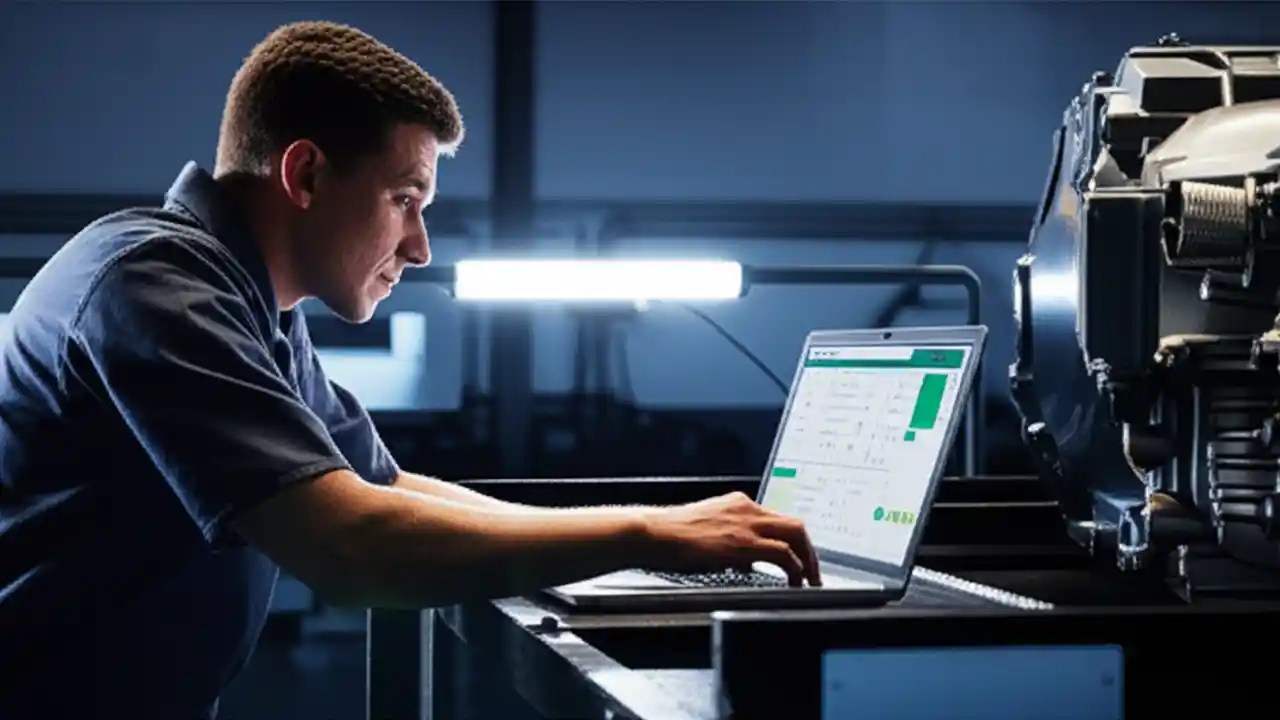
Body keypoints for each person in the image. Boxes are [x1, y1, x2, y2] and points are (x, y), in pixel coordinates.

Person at [0, 20, 819, 718]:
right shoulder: (154, 286)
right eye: (406, 199)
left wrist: (652, 536)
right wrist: (650, 533)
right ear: (306, 174)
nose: (421, 246)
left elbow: (385, 489)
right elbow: (350, 545)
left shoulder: (253, 309)